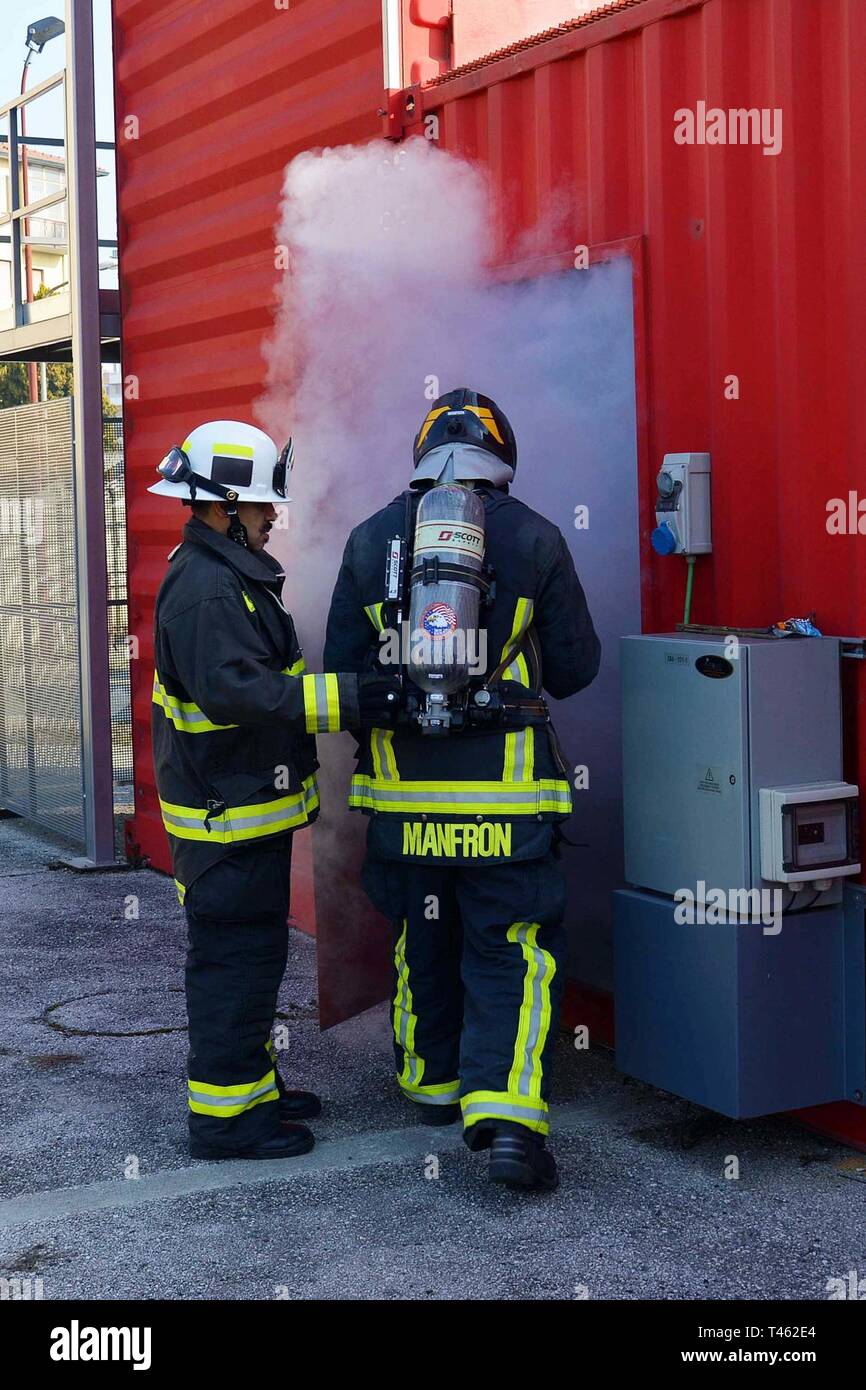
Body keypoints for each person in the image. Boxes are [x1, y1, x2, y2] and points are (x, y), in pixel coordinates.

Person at [323, 389, 600, 1189]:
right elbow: (577, 671)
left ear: (419, 459)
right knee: (507, 947)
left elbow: (345, 676)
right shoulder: (536, 536)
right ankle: (507, 1115)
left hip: (403, 805)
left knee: (422, 934)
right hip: (505, 807)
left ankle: (432, 1085)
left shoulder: (370, 537)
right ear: (502, 460)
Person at [149, 420, 398, 1161]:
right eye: (260, 505)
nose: (271, 516)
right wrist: (354, 699)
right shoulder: (207, 590)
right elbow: (244, 694)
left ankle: (252, 1088)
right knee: (234, 962)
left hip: (242, 808)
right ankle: (226, 1120)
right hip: (225, 819)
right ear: (223, 504)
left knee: (254, 956)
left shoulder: (225, 572)